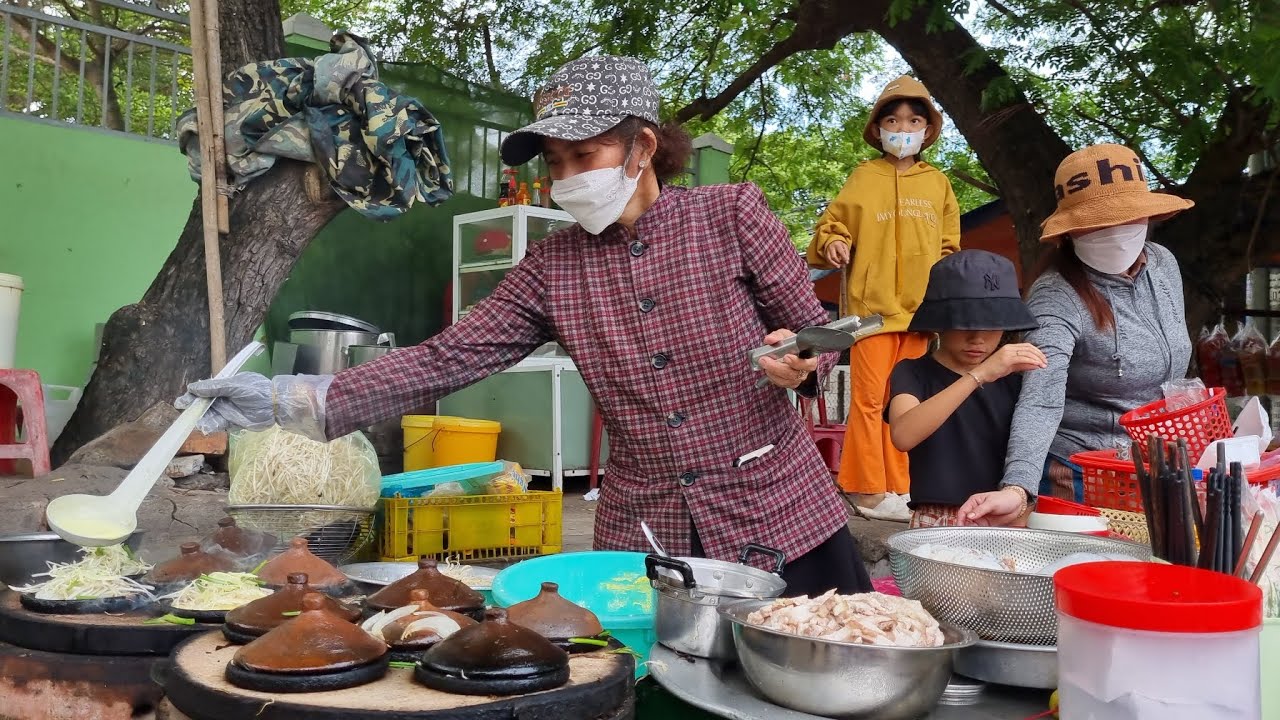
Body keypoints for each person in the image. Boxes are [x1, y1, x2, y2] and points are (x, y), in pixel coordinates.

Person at [177, 56, 871, 597]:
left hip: (776, 512)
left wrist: (801, 358)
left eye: (585, 155)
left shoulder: (731, 215)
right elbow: (447, 357)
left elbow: (817, 335)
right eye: (556, 162)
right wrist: (294, 400)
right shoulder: (552, 266)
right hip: (648, 527)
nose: (567, 177)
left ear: (643, 147)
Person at [959, 143, 1195, 527]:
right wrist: (1017, 488)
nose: (1115, 232)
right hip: (1084, 473)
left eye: (1126, 218)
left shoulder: (1163, 265)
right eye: (1099, 223)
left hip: (1156, 467)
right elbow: (1041, 399)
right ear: (1070, 232)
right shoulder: (1056, 297)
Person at [806, 75, 961, 522]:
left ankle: (902, 487)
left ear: (928, 130)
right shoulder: (863, 177)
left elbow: (950, 248)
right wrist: (835, 242)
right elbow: (830, 228)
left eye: (914, 120)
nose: (903, 128)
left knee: (905, 401)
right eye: (892, 120)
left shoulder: (939, 184)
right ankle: (866, 488)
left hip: (919, 314)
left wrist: (945, 299)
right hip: (871, 314)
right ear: (877, 129)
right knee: (870, 398)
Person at [885, 250, 1045, 528]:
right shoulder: (913, 372)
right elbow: (903, 435)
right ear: (940, 323)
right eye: (964, 324)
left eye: (991, 325)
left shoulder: (1018, 378)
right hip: (937, 520)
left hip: (1005, 516)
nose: (978, 338)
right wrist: (979, 375)